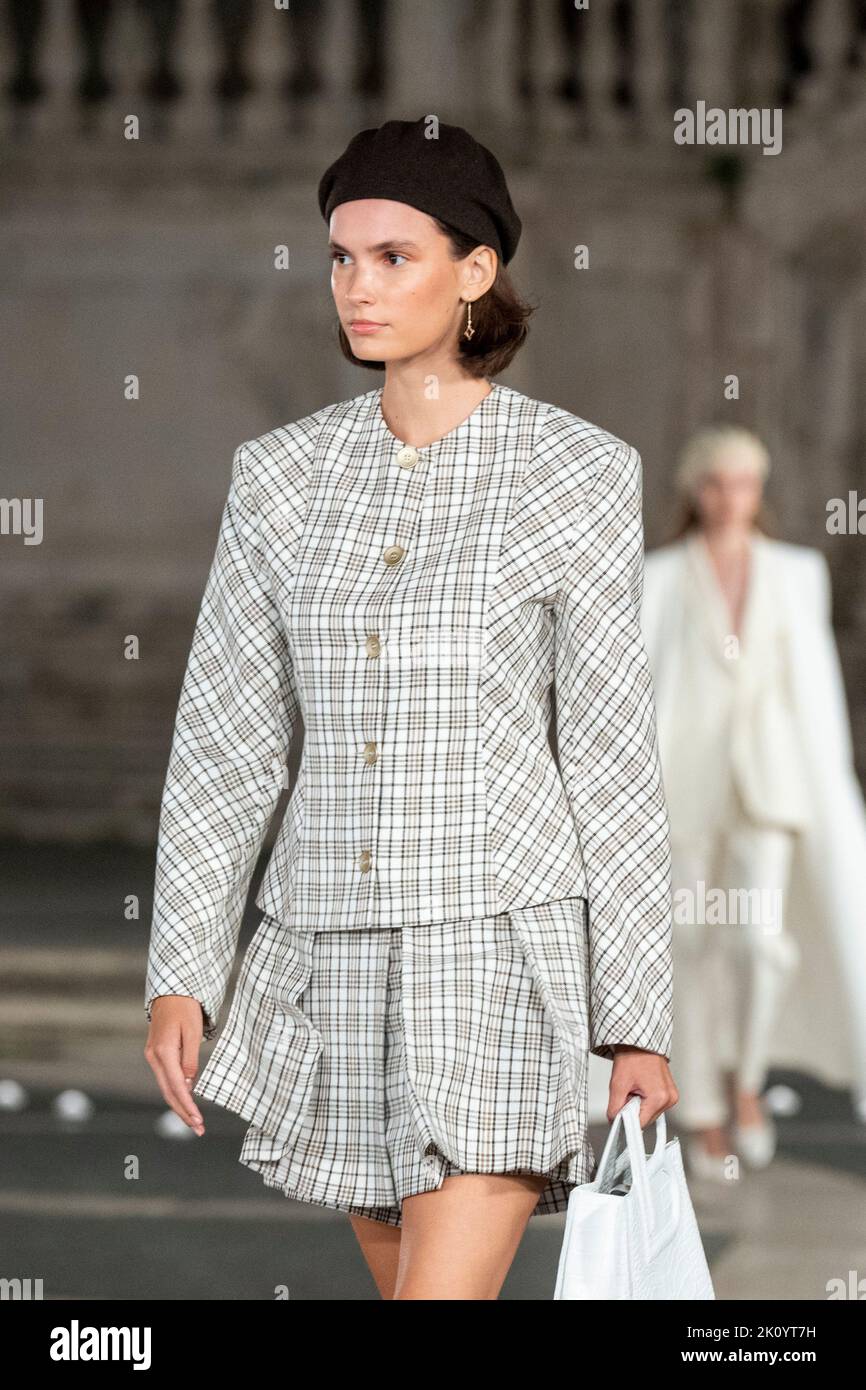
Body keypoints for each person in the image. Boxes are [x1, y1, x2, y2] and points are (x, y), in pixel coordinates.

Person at [143, 116, 677, 1300]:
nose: (357, 286)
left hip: (494, 948)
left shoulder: (576, 471)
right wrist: (183, 966)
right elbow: (228, 740)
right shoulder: (278, 475)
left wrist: (636, 1016)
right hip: (328, 957)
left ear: (475, 270)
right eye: (341, 257)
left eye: (394, 256)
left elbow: (607, 753)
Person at [641, 425, 866, 1182]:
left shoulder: (797, 572)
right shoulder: (661, 574)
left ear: (758, 489)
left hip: (769, 786)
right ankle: (702, 1106)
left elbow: (815, 689)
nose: (728, 498)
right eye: (714, 483)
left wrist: (827, 781)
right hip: (682, 789)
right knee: (689, 944)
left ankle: (747, 1084)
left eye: (741, 483)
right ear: (694, 490)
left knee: (759, 944)